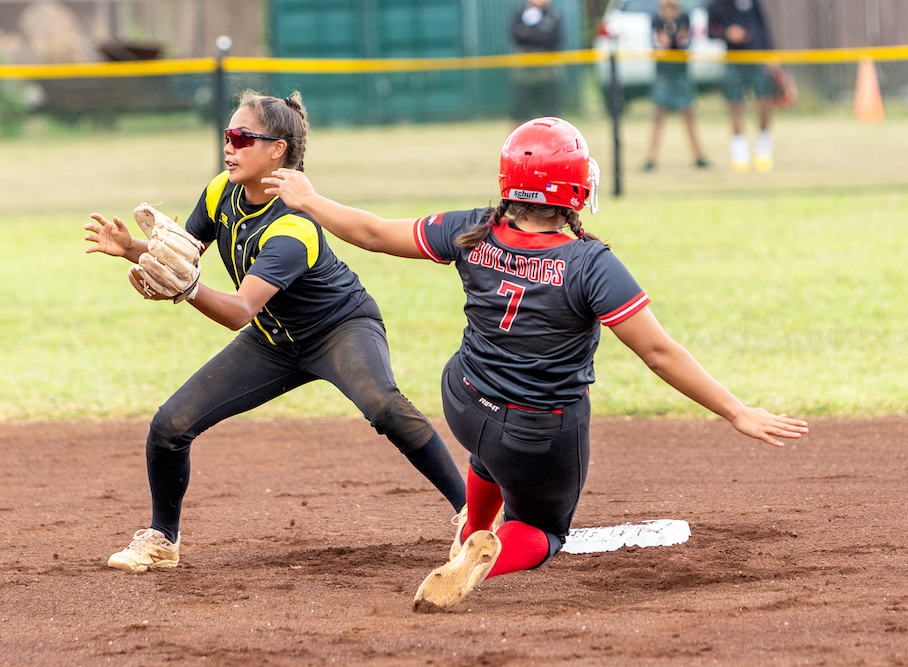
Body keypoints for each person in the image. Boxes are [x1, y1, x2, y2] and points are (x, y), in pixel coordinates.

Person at [262, 117, 808, 612]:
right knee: (543, 529)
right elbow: (659, 354)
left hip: (463, 400)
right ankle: (483, 555)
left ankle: (471, 528)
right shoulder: (590, 263)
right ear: (572, 189)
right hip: (536, 432)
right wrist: (736, 411)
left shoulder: (472, 228)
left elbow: (374, 233)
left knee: (488, 449)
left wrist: (309, 199)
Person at [84, 90, 466, 572]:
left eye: (243, 138)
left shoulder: (294, 226)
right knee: (169, 426)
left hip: (339, 329)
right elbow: (183, 259)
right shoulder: (222, 191)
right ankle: (162, 540)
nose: (230, 146)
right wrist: (132, 248)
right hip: (274, 341)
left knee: (384, 406)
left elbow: (239, 309)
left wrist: (188, 290)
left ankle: (472, 513)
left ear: (277, 150)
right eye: (228, 135)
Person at [707, 0, 780, 172]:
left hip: (756, 58)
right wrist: (727, 33)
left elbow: (763, 27)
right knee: (735, 105)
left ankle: (763, 151)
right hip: (734, 60)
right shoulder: (716, 4)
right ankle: (740, 155)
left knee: (764, 102)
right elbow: (711, 32)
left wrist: (771, 55)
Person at [642, 0, 709, 171]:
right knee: (659, 114)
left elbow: (685, 41)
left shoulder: (684, 17)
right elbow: (657, 43)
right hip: (663, 71)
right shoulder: (656, 18)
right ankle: (651, 158)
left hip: (680, 71)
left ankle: (699, 155)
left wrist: (673, 41)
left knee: (688, 113)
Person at [510, 0, 565, 126]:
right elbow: (515, 34)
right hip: (525, 70)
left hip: (549, 70)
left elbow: (555, 38)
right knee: (520, 108)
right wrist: (541, 33)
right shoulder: (520, 13)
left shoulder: (554, 14)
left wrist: (528, 33)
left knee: (550, 109)